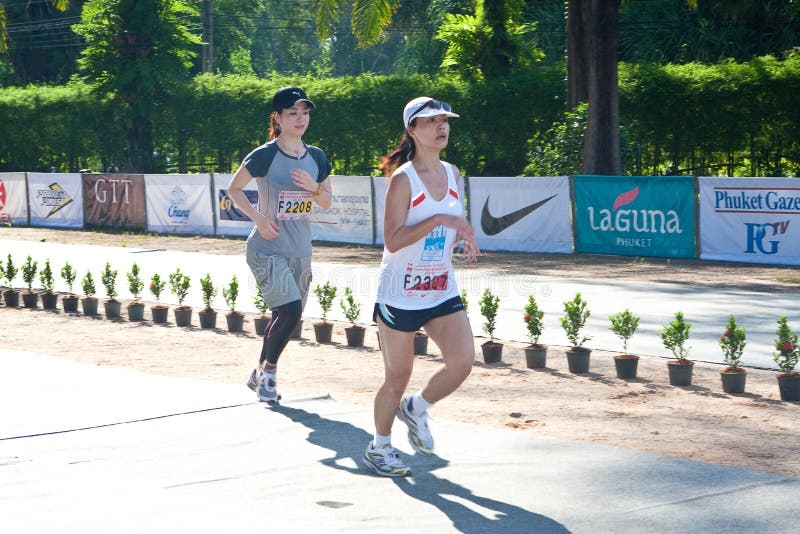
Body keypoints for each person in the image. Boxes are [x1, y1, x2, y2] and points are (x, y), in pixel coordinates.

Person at [362, 96, 480, 477]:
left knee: (462, 363)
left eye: (444, 120)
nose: (441, 126)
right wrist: (441, 220)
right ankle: (379, 448)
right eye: (430, 121)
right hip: (400, 294)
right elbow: (393, 241)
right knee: (397, 376)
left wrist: (463, 237)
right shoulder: (403, 180)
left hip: (441, 288)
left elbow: (452, 224)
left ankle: (416, 408)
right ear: (412, 130)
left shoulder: (453, 173)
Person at [227, 86, 332, 405]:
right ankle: (269, 375)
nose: (300, 119)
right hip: (266, 248)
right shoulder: (265, 155)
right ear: (278, 117)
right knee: (290, 310)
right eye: (292, 113)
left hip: (300, 250)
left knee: (285, 315)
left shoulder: (316, 156)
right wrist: (259, 219)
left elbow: (326, 202)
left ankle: (259, 372)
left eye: (305, 112)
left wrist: (313, 187)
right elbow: (234, 189)